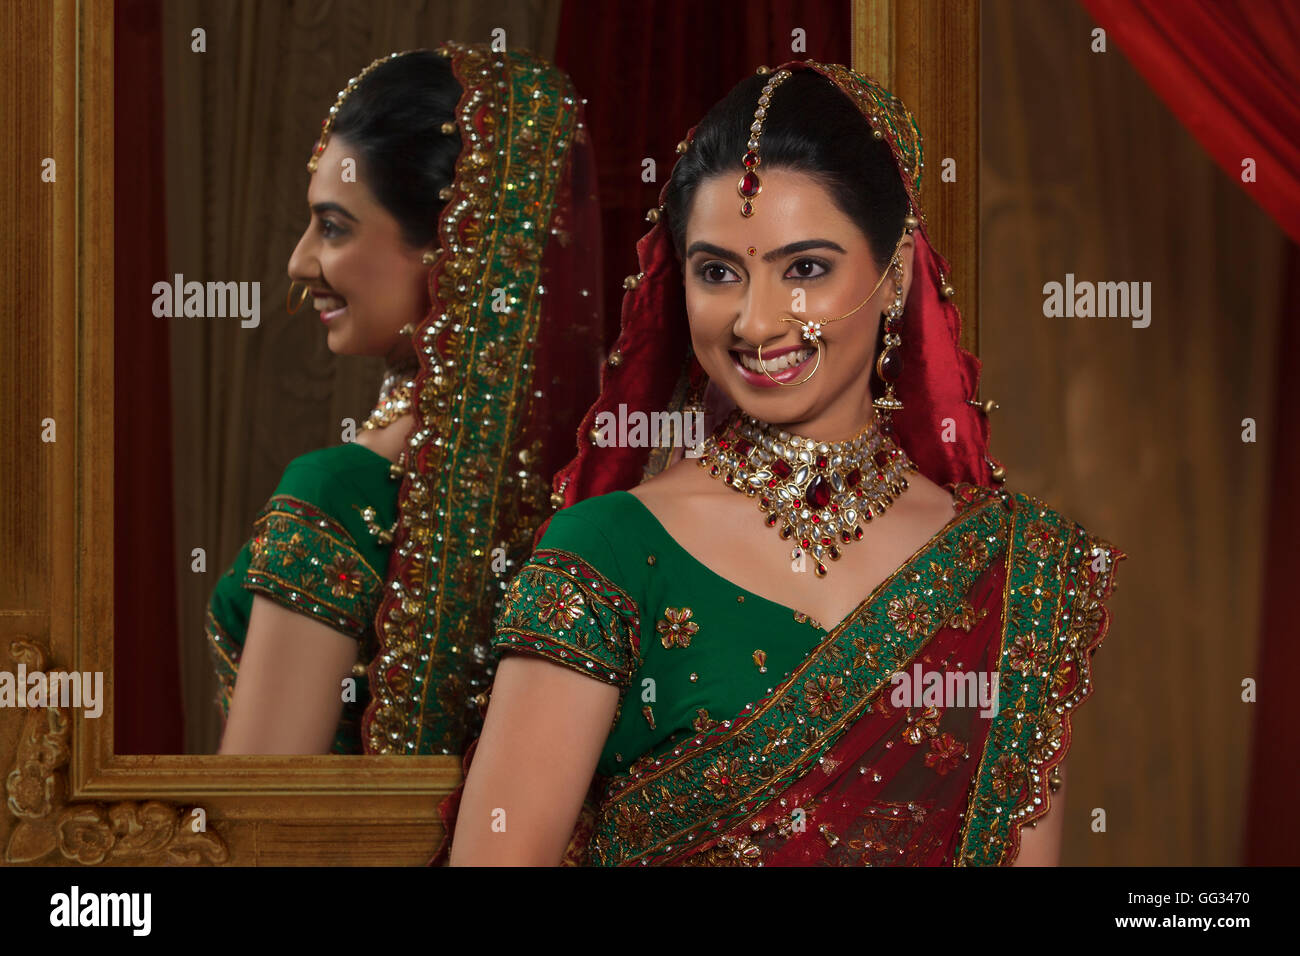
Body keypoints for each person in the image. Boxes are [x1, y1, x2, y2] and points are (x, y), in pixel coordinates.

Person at [441, 59, 1126, 865]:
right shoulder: (609, 555)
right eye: (718, 273)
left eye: (805, 269)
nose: (757, 321)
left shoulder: (1015, 574)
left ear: (896, 273)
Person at [206, 43, 604, 755]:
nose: (299, 261)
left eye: (332, 227)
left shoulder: (337, 492)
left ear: (450, 247)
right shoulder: (594, 493)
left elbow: (255, 825)